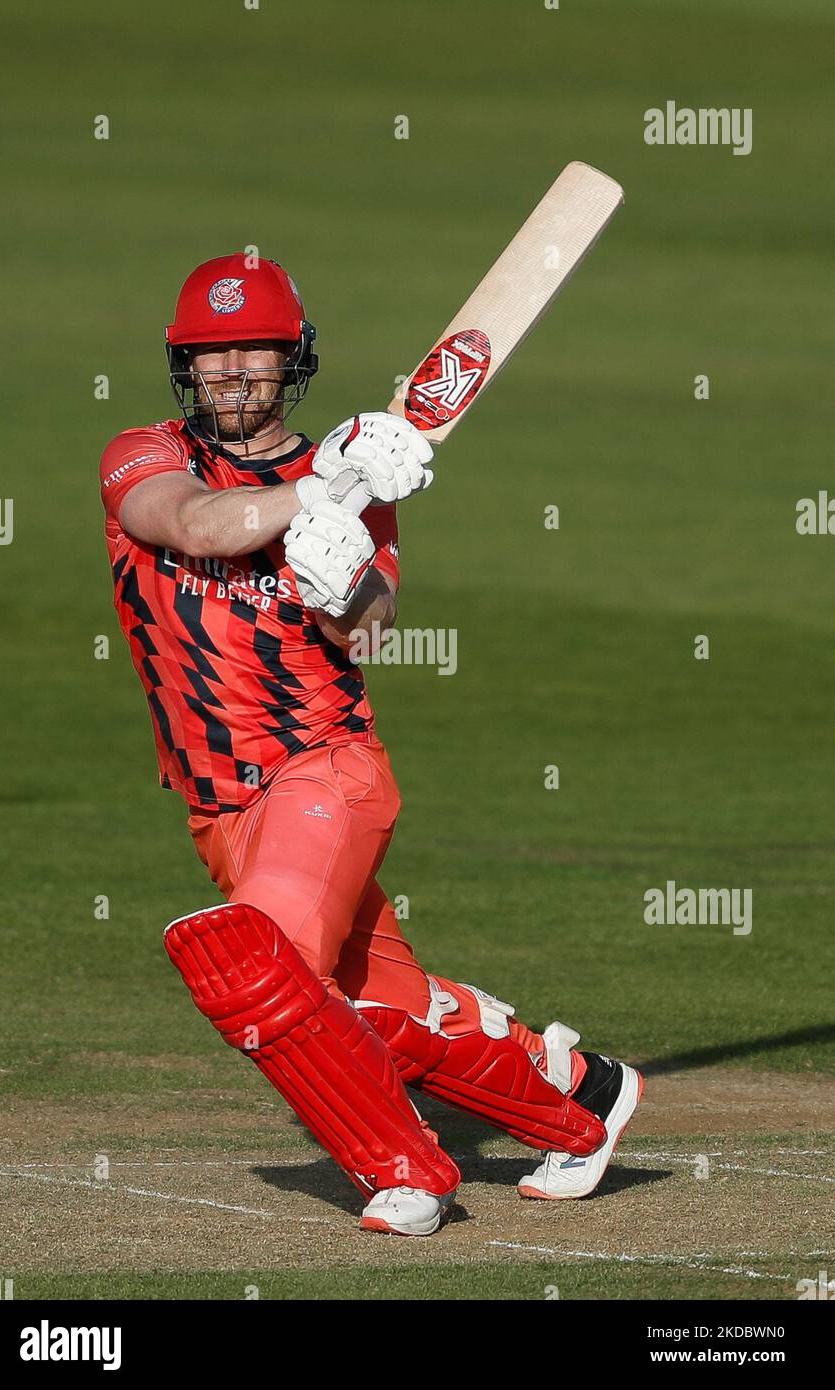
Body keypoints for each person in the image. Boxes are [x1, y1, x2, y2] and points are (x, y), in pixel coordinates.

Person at [100, 253, 643, 1235]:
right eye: (209, 354)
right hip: (223, 810)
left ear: (288, 359)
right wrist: (318, 491)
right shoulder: (142, 454)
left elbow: (370, 631)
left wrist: (340, 573)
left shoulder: (367, 481)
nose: (229, 372)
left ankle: (405, 1170)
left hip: (325, 774)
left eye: (248, 351)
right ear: (185, 366)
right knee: (378, 1020)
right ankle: (582, 1101)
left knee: (261, 969)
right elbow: (194, 523)